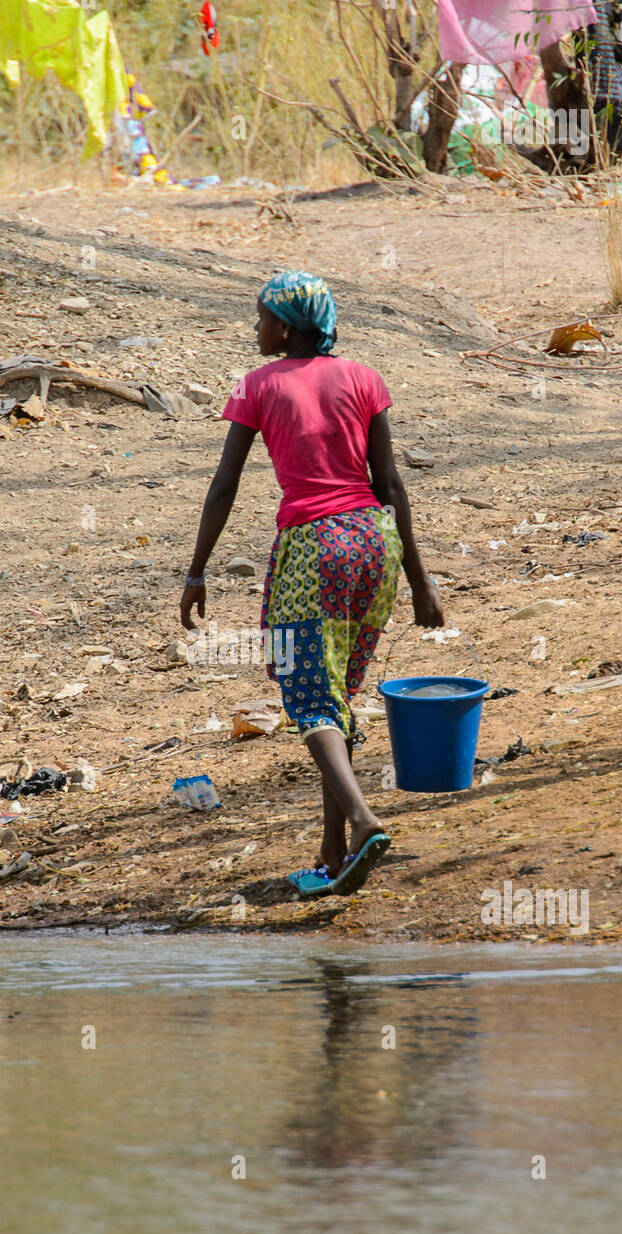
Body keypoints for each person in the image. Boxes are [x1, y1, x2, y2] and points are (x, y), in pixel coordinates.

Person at [180, 271, 444, 897]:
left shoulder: (257, 385)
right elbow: (390, 485)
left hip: (312, 550)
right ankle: (332, 856)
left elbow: (224, 485)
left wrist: (196, 571)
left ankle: (363, 818)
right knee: (337, 696)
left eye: (263, 318)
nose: (257, 329)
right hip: (372, 544)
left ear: (289, 326)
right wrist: (420, 580)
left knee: (308, 698)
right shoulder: (363, 377)